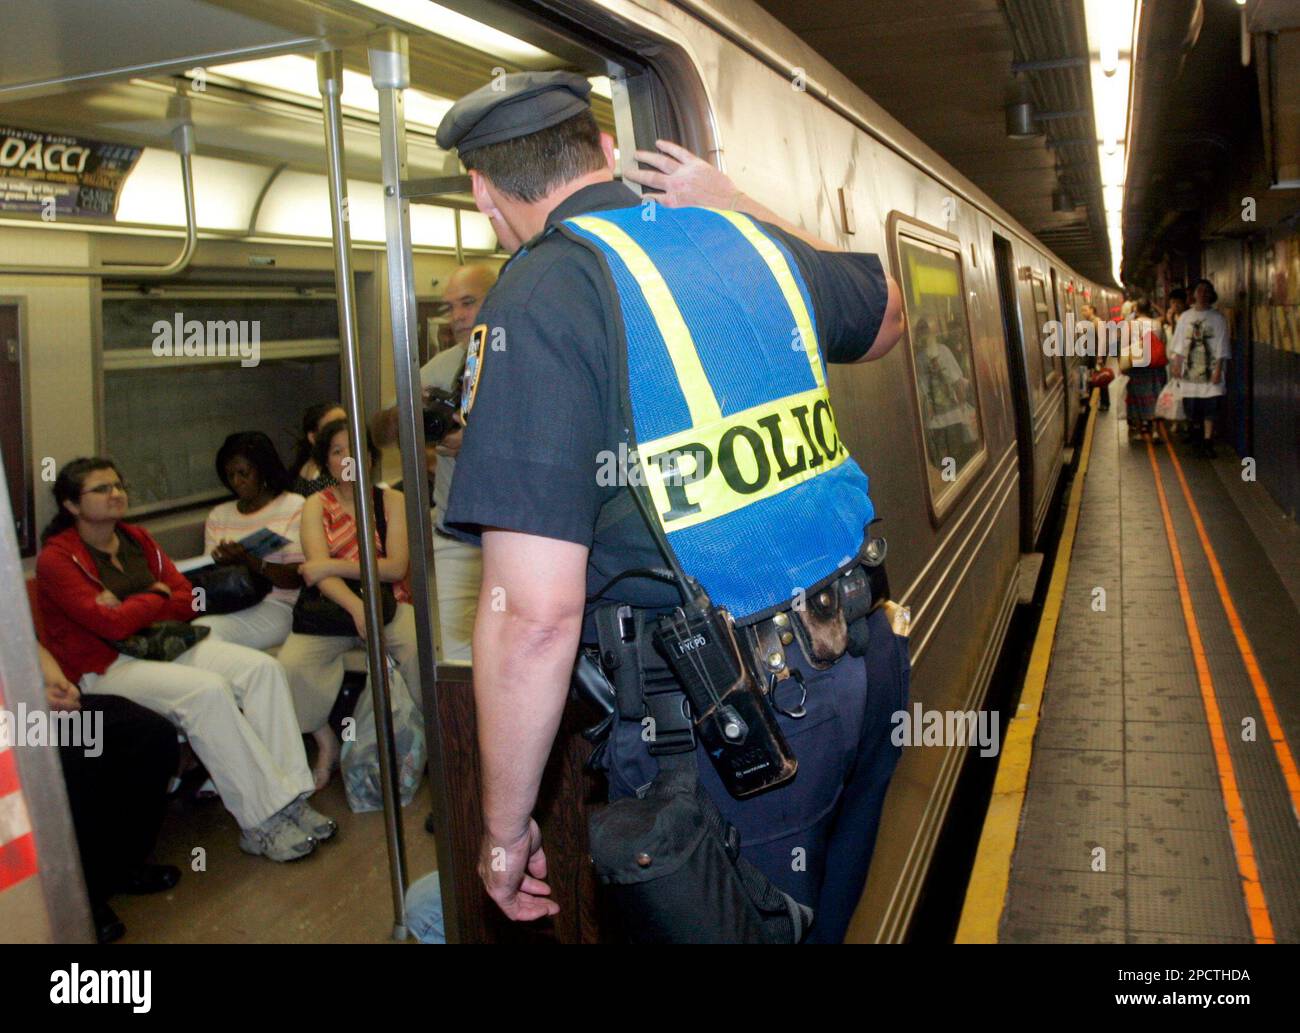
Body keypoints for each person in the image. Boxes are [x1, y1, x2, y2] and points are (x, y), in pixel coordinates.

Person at [436, 71, 908, 943]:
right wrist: (743, 204)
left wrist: (502, 831)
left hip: (743, 732)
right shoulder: (740, 236)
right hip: (870, 663)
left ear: (481, 190)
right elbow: (886, 316)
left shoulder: (539, 294)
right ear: (609, 152)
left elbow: (535, 612)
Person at [36, 458, 335, 862]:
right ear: (72, 505)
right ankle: (259, 821)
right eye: (102, 489)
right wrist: (154, 597)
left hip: (163, 645)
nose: (116, 494)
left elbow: (185, 599)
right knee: (206, 692)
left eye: (118, 485)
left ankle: (291, 799)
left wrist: (136, 604)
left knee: (262, 669)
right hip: (104, 667)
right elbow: (109, 626)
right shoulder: (57, 560)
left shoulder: (136, 539)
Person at [275, 420, 422, 790]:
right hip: (333, 608)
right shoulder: (314, 506)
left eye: (355, 449)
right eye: (338, 451)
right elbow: (316, 576)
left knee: (418, 653)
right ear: (326, 461)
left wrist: (332, 565)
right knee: (290, 667)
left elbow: (394, 568)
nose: (348, 458)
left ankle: (432, 740)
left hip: (387, 604)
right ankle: (325, 743)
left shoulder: (391, 501)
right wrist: (357, 608)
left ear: (371, 457)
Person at [371, 263, 496, 664]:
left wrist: (475, 441)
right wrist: (412, 412)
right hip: (455, 536)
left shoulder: (529, 360)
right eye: (450, 307)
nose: (458, 316)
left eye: (468, 303)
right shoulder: (445, 365)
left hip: (512, 537)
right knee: (453, 660)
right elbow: (380, 431)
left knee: (511, 652)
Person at [40, 643, 179, 943]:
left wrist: (59, 684)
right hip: (11, 724)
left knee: (148, 734)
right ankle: (81, 898)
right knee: (73, 763)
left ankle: (122, 865)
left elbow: (29, 644)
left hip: (34, 711)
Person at [194, 431, 305, 650]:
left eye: (243, 473)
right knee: (197, 626)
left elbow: (296, 578)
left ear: (263, 470)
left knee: (207, 632)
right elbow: (206, 577)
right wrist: (222, 560)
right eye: (230, 475)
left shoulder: (293, 506)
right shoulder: (219, 515)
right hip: (231, 602)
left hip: (280, 603)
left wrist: (249, 560)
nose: (237, 482)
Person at [1169, 278, 1229, 457]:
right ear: (1193, 295)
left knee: (1211, 407)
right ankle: (1196, 438)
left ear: (1211, 295)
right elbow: (1179, 343)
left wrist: (1218, 369)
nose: (1203, 294)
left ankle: (1208, 441)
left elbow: (1222, 345)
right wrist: (1176, 365)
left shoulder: (1218, 318)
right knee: (1192, 407)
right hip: (1189, 371)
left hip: (1211, 371)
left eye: (1206, 291)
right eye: (1199, 291)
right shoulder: (1186, 317)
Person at [1123, 299, 1167, 438]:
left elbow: (1125, 347)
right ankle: (1155, 429)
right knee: (1155, 395)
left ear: (1136, 310)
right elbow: (1163, 342)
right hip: (1155, 365)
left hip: (1138, 365)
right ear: (1150, 309)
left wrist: (1123, 368)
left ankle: (1142, 425)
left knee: (1138, 396)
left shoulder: (1130, 325)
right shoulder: (1157, 324)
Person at [289, 402, 347, 497]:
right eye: (332, 427)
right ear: (313, 437)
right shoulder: (324, 474)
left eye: (345, 423)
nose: (342, 431)